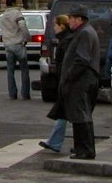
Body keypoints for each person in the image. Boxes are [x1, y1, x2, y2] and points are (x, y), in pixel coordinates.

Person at [47, 5, 101, 160]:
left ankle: (84, 149)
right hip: (83, 79)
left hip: (81, 80)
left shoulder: (84, 33)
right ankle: (82, 148)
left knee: (80, 116)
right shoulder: (84, 31)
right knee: (81, 114)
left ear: (79, 19)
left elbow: (82, 59)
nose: (69, 21)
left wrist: (69, 76)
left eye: (71, 18)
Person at [39, 14, 73, 152]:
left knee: (67, 112)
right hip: (65, 80)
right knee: (62, 112)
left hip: (67, 81)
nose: (53, 28)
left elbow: (65, 63)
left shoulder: (65, 41)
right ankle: (55, 141)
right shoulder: (65, 39)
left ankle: (57, 142)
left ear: (62, 26)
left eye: (55, 25)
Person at [0, 0, 31, 100]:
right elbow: (22, 25)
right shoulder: (17, 13)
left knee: (10, 71)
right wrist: (27, 37)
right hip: (18, 44)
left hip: (8, 45)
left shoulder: (3, 15)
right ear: (14, 3)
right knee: (24, 69)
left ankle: (12, 93)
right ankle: (25, 93)